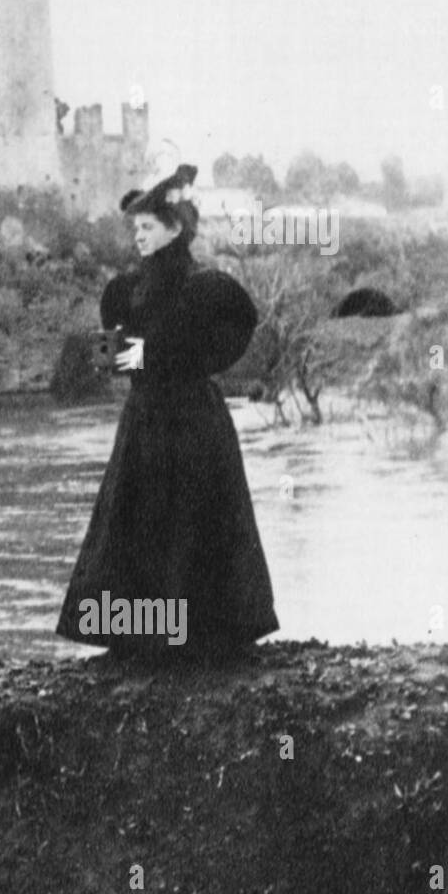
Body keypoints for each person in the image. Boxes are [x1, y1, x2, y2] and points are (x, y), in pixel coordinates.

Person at [55, 164, 279, 663]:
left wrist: (150, 353)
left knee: (195, 519)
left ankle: (205, 635)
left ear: (176, 228)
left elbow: (218, 339)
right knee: (138, 520)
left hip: (195, 422)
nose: (139, 237)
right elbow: (109, 356)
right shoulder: (123, 291)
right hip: (146, 419)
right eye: (135, 229)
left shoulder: (207, 288)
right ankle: (142, 638)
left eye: (148, 227)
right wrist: (143, 354)